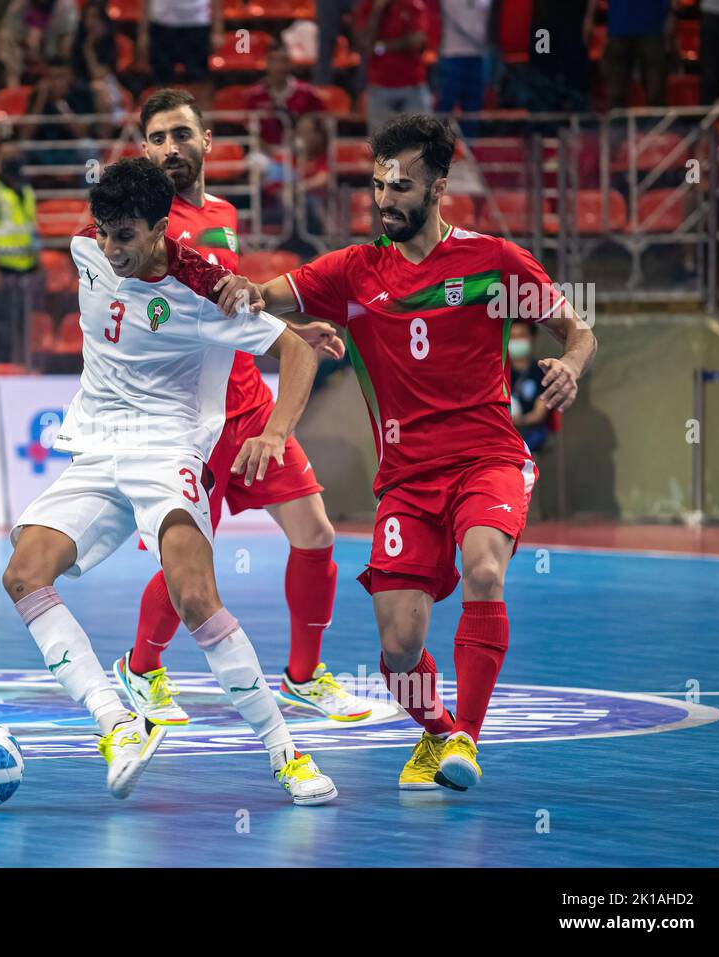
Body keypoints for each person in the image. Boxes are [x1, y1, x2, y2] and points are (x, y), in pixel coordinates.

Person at [216, 114, 598, 792]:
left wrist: (570, 361)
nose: (385, 199)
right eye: (377, 184)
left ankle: (468, 744)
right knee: (397, 643)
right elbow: (264, 295)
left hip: (488, 458)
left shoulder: (495, 262)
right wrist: (247, 293)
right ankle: (440, 732)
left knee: (484, 570)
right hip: (406, 478)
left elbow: (578, 329)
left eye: (401, 186)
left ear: (439, 187)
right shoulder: (355, 272)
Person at [1, 157, 340, 806]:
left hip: (168, 451)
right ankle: (117, 724)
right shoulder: (86, 251)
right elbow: (116, 242)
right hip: (97, 449)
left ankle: (286, 753)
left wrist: (275, 430)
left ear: (161, 227)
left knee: (193, 596)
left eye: (125, 234)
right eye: (103, 230)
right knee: (22, 573)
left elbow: (293, 354)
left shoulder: (211, 294)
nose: (109, 246)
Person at [121, 88, 372, 728]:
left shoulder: (224, 212)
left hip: (246, 397)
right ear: (142, 149)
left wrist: (288, 335)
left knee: (315, 533)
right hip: (187, 416)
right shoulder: (140, 226)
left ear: (208, 143)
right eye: (157, 138)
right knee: (192, 563)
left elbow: (225, 306)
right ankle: (141, 668)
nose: (170, 148)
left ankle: (303, 675)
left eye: (181, 134)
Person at [0, 139, 41, 365]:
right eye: (7, 156)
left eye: (16, 155)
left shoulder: (26, 189)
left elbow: (31, 228)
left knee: (23, 326)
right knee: (0, 327)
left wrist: (38, 263)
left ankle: (21, 368)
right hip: (2, 271)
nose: (13, 160)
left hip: (26, 270)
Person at [356, 0, 431, 134]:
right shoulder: (368, 6)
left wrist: (382, 47)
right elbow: (366, 45)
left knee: (420, 145)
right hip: (379, 87)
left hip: (413, 85)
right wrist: (378, 10)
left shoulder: (413, 4)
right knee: (382, 149)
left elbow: (417, 42)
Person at [587, 0, 673, 108]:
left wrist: (671, 16)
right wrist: (589, 17)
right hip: (620, 27)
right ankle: (617, 120)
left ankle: (657, 119)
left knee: (656, 92)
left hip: (652, 28)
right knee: (616, 92)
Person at [137, 0, 224, 87]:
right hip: (161, 24)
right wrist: (143, 33)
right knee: (161, 79)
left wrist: (217, 30)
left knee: (199, 79)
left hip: (197, 24)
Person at [0, 0, 79, 88]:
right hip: (21, 57)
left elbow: (66, 46)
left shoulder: (65, 6)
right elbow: (11, 28)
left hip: (51, 57)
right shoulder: (19, 5)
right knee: (5, 36)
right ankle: (13, 88)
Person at [436, 0, 496, 118]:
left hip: (478, 56)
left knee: (473, 105)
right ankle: (437, 135)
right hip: (452, 54)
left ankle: (470, 135)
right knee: (446, 103)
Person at [508, 321, 550, 453]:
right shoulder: (498, 372)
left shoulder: (541, 372)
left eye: (521, 335)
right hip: (503, 432)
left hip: (531, 432)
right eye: (512, 337)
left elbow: (538, 414)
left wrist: (518, 422)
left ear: (532, 337)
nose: (516, 341)